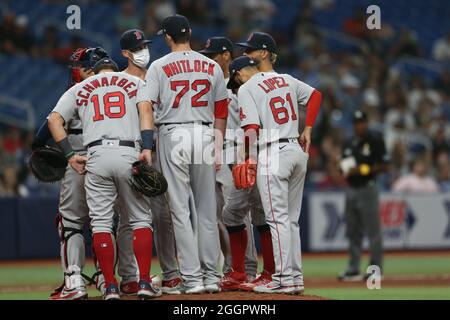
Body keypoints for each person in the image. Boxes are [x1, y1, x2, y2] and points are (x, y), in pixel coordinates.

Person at [48, 57, 161, 300]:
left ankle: (110, 287)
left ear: (95, 71)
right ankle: (143, 282)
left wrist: (69, 155)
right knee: (140, 220)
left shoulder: (80, 87)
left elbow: (53, 120)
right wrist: (147, 147)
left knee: (100, 223)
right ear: (114, 69)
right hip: (128, 151)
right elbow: (145, 110)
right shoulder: (133, 80)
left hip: (95, 155)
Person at [137, 14, 229, 294]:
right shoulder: (211, 65)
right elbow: (222, 110)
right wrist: (217, 145)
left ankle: (191, 279)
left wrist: (145, 144)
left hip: (173, 133)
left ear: (167, 37)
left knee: (179, 210)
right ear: (189, 34)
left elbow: (146, 107)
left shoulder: (159, 66)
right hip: (204, 132)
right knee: (206, 209)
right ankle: (212, 276)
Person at [228, 55, 321, 294]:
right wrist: (308, 127)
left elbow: (251, 129)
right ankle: (295, 277)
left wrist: (248, 157)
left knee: (277, 220)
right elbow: (316, 95)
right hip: (297, 150)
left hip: (272, 152)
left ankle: (281, 278)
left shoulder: (248, 88)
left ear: (239, 75)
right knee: (291, 220)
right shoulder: (286, 79)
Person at [32, 47, 108, 300]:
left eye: (79, 67)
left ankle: (74, 281)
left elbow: (41, 136)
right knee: (106, 224)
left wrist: (59, 152)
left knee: (71, 223)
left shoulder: (74, 92)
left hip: (77, 160)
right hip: (111, 159)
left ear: (87, 68)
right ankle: (109, 278)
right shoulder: (118, 88)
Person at [120, 28, 181, 294]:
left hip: (161, 152)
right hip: (133, 155)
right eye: (137, 47)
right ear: (125, 53)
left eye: (144, 45)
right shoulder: (119, 82)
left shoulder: (157, 77)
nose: (143, 51)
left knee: (164, 216)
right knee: (127, 219)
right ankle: (130, 276)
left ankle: (171, 274)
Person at [199, 36, 259, 288]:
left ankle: (248, 268)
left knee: (237, 212)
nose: (209, 59)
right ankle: (231, 267)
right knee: (219, 216)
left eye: (213, 55)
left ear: (226, 56)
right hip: (214, 152)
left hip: (236, 151)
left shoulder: (243, 83)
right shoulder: (214, 85)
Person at [338, 110, 388, 281]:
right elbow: (343, 165)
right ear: (354, 125)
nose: (360, 125)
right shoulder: (348, 142)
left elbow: (384, 166)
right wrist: (343, 169)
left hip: (368, 188)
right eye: (357, 123)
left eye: (363, 122)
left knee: (373, 232)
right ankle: (353, 268)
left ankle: (375, 269)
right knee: (353, 231)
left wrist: (362, 170)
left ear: (366, 123)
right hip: (351, 189)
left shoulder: (375, 140)